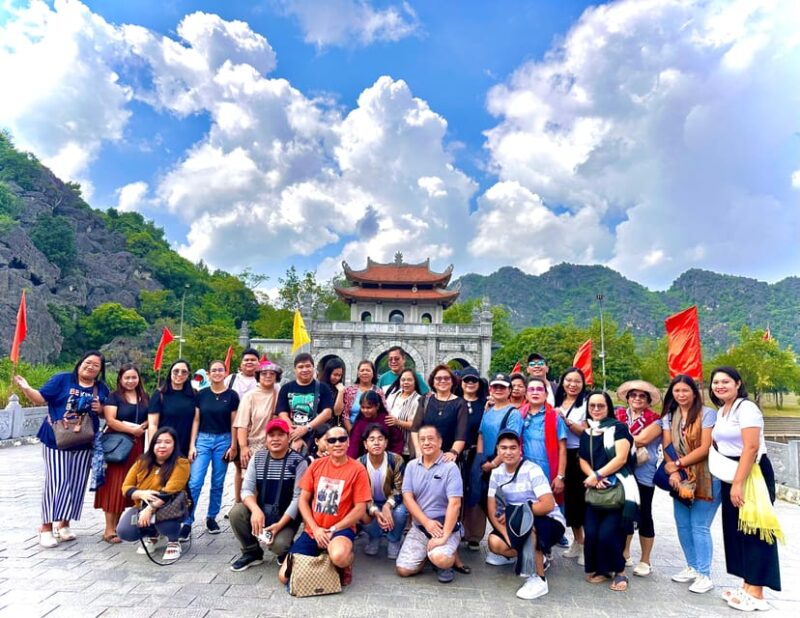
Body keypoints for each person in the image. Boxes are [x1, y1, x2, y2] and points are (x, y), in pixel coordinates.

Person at [14, 351, 110, 548]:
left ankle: (64, 523)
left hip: (84, 441)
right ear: (80, 363)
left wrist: (99, 408)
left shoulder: (101, 388)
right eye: (87, 362)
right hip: (56, 439)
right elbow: (40, 399)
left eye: (96, 366)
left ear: (100, 371)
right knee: (57, 482)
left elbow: (104, 414)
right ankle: (45, 527)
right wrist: (26, 388)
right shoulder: (63, 379)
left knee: (76, 484)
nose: (90, 367)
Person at [710, 366, 781, 611]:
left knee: (756, 530)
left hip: (753, 473)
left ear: (738, 384)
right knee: (738, 530)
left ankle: (758, 592)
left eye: (725, 381)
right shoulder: (722, 410)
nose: (720, 386)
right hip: (733, 473)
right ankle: (747, 585)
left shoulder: (747, 408)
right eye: (716, 382)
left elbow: (750, 448)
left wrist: (738, 483)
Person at [278, 425, 371, 588]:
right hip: (315, 530)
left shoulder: (358, 469)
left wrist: (334, 529)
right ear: (325, 444)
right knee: (284, 576)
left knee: (339, 557)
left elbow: (360, 509)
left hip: (341, 529)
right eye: (332, 440)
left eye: (342, 439)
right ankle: (323, 559)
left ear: (348, 442)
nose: (337, 444)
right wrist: (315, 529)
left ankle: (345, 562)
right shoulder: (315, 465)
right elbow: (302, 500)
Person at [486, 429, 566, 600]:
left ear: (520, 449)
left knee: (529, 527)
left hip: (548, 520)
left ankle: (538, 578)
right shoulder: (497, 473)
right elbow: (492, 508)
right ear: (498, 450)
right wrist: (508, 537)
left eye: (513, 448)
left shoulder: (532, 470)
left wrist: (514, 513)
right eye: (504, 448)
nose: (508, 452)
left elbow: (547, 505)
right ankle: (536, 556)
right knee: (494, 543)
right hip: (515, 520)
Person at [660, 374, 720, 594]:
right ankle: (692, 566)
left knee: (700, 525)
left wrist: (677, 464)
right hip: (680, 477)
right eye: (677, 391)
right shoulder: (669, 416)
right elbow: (667, 445)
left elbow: (705, 447)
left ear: (694, 392)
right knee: (683, 524)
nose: (681, 395)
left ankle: (705, 574)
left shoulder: (707, 414)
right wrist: (674, 473)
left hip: (706, 476)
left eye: (685, 390)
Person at [229, 418, 308, 571]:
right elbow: (246, 490)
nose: (276, 439)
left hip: (286, 516)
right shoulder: (257, 458)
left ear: (288, 437)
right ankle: (251, 552)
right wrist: (255, 510)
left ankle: (284, 549)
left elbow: (298, 498)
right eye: (272, 435)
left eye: (281, 435)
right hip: (262, 510)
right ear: (266, 439)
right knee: (236, 512)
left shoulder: (299, 462)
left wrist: (280, 525)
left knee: (279, 546)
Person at [579, 390, 638, 592]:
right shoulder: (587, 432)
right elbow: (582, 458)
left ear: (608, 407)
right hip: (595, 488)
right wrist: (592, 478)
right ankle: (601, 569)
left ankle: (620, 570)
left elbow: (620, 458)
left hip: (618, 487)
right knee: (593, 533)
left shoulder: (619, 429)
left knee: (608, 534)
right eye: (592, 406)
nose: (596, 409)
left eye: (600, 406)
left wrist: (598, 475)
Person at [395, 425, 464, 584]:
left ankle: (445, 559)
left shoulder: (450, 468)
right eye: (422, 439)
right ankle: (427, 556)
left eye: (431, 439)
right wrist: (426, 523)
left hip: (444, 527)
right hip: (420, 527)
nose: (426, 442)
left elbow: (455, 504)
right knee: (403, 570)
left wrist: (444, 536)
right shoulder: (412, 466)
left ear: (440, 442)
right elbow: (407, 497)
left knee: (441, 558)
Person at [94, 363, 149, 544]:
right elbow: (111, 420)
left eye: (134, 377)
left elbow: (150, 418)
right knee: (114, 485)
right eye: (127, 378)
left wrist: (144, 427)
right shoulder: (114, 396)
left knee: (130, 484)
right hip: (118, 445)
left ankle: (118, 525)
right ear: (120, 379)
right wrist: (132, 430)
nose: (131, 381)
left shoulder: (144, 397)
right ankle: (109, 529)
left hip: (137, 446)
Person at [184, 360, 239, 540]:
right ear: (208, 374)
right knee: (195, 481)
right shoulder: (201, 394)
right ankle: (187, 520)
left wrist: (233, 445)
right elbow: (196, 420)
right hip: (203, 439)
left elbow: (234, 423)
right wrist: (192, 444)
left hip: (223, 440)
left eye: (220, 370)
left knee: (218, 482)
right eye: (213, 370)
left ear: (225, 372)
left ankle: (211, 517)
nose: (217, 373)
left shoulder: (232, 395)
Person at [117, 427, 190, 562]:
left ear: (174, 445)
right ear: (152, 444)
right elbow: (126, 488)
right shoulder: (142, 462)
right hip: (141, 505)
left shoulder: (181, 463)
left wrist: (149, 509)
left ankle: (173, 540)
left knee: (163, 522)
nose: (162, 445)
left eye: (167, 442)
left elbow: (169, 492)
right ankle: (153, 534)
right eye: (158, 442)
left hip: (171, 506)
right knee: (125, 531)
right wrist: (141, 493)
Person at [615, 379, 663, 577]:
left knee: (644, 514)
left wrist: (616, 436)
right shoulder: (618, 414)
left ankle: (645, 559)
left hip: (644, 471)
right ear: (627, 398)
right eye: (633, 395)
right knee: (624, 511)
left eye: (642, 396)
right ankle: (625, 552)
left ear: (648, 400)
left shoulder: (656, 420)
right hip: (622, 468)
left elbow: (643, 439)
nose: (637, 399)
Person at [477, 372, 523, 561]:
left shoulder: (513, 413)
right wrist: (481, 460)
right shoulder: (488, 410)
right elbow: (480, 434)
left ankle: (508, 547)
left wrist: (494, 464)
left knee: (501, 504)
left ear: (509, 390)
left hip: (503, 465)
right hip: (486, 462)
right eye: (495, 386)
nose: (498, 390)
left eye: (502, 387)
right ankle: (502, 541)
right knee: (485, 502)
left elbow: (511, 442)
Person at [357, 424, 408, 559]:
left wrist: (387, 505)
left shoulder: (396, 460)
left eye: (380, 439)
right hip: (371, 502)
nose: (376, 443)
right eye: (372, 439)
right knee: (359, 512)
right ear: (365, 444)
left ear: (386, 443)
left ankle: (394, 539)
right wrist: (375, 510)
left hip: (392, 501)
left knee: (401, 512)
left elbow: (399, 488)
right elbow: (361, 494)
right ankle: (374, 537)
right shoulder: (359, 464)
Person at [554, 367, 589, 565]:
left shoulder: (585, 404)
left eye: (577, 381)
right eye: (569, 380)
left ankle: (587, 546)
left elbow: (585, 432)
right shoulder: (557, 402)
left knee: (580, 500)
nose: (572, 384)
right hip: (560, 453)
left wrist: (565, 421)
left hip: (578, 455)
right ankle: (578, 540)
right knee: (569, 501)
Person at [520, 377, 567, 509]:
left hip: (547, 472)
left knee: (550, 514)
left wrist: (560, 476)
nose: (535, 392)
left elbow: (562, 449)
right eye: (531, 389)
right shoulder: (518, 415)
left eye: (540, 389)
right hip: (524, 472)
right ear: (526, 394)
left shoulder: (555, 417)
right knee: (526, 512)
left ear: (546, 394)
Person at [458, 367, 489, 552]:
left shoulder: (485, 404)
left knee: (475, 493)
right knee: (456, 491)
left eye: (474, 380)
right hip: (457, 453)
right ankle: (456, 527)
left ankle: (474, 535)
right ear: (461, 382)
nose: (470, 384)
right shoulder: (454, 402)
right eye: (466, 380)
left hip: (476, 453)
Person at [276, 353, 334, 452]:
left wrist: (306, 428)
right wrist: (295, 434)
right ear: (295, 370)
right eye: (300, 367)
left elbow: (327, 413)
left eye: (308, 366)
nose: (304, 370)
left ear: (313, 368)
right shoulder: (286, 388)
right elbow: (282, 413)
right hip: (292, 437)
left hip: (317, 437)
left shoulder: (323, 388)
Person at [410, 364, 468, 462]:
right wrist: (418, 449)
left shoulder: (460, 403)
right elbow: (415, 428)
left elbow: (461, 434)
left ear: (452, 381)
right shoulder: (425, 400)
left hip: (447, 458)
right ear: (433, 382)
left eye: (446, 378)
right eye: (438, 378)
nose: (443, 381)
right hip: (425, 455)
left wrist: (453, 452)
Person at [235, 360, 282, 472]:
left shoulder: (280, 394)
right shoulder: (249, 396)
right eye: (264, 373)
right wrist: (243, 447)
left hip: (276, 445)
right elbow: (242, 424)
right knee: (253, 484)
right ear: (258, 375)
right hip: (254, 446)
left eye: (272, 373)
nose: (268, 376)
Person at [148, 359, 196, 458]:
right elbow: (153, 424)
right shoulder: (159, 394)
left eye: (184, 372)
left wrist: (193, 446)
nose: (179, 374)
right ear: (170, 372)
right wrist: (152, 447)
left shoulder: (194, 394)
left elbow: (196, 421)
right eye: (176, 371)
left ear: (188, 375)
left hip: (185, 445)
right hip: (164, 446)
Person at [347, 390, 404, 458]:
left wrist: (393, 459)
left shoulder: (386, 420)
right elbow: (353, 447)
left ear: (377, 406)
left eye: (369, 407)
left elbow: (397, 441)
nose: (365, 410)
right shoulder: (359, 424)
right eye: (363, 407)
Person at [384, 368, 423, 460]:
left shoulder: (419, 400)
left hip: (407, 448)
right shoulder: (392, 396)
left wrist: (398, 422)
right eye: (403, 380)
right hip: (390, 445)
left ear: (415, 382)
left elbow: (416, 425)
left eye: (409, 380)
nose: (406, 382)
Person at [338, 359, 385, 430]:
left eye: (368, 370)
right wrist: (353, 433)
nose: (365, 373)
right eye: (362, 370)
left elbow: (383, 414)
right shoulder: (349, 391)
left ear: (373, 373)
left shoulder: (378, 392)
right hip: (352, 429)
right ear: (358, 373)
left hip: (373, 431)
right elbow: (345, 415)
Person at [320, 358, 347, 427]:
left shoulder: (340, 388)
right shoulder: (320, 387)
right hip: (321, 425)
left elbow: (338, 412)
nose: (337, 378)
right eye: (335, 375)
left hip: (335, 426)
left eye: (339, 375)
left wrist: (340, 392)